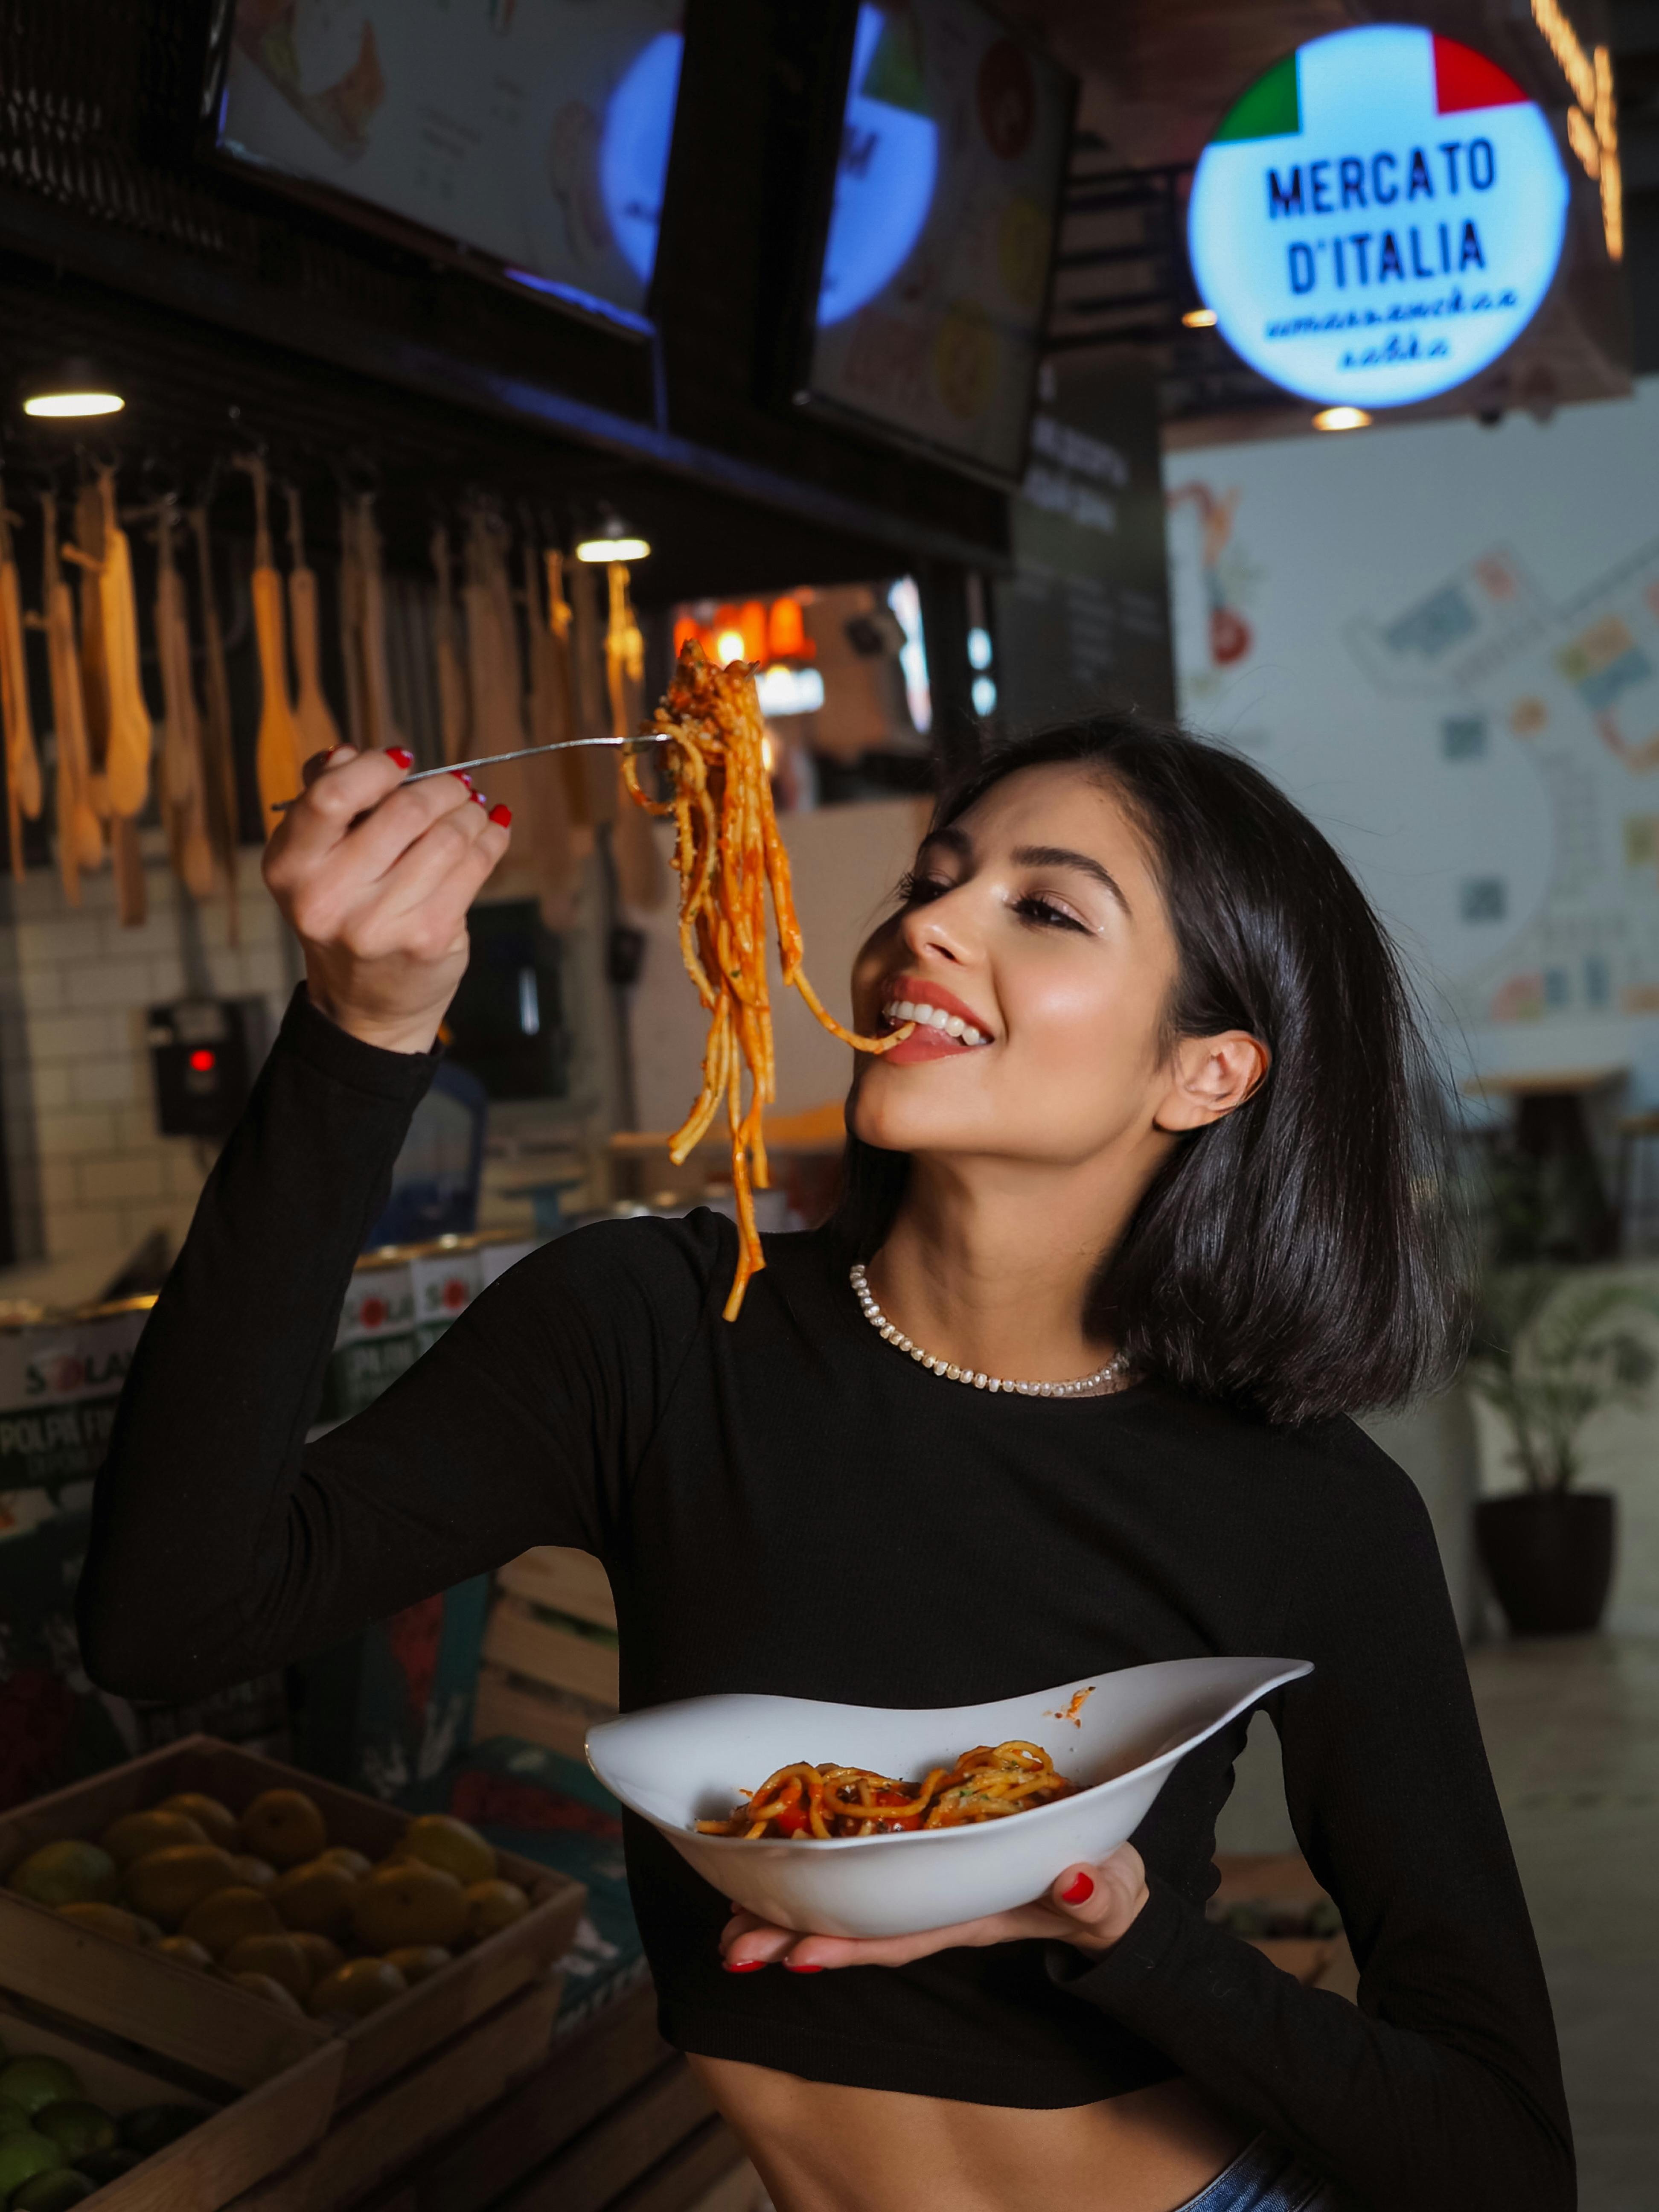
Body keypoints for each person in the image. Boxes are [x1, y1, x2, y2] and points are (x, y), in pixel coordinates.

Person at [80, 721, 1572, 2212]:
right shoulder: (662, 1332)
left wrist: (1131, 1939)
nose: (926, 920)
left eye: (1042, 909)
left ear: (1208, 1072)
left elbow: (1502, 2156)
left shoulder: (1304, 1504)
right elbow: (174, 1616)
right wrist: (360, 1034)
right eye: (936, 878)